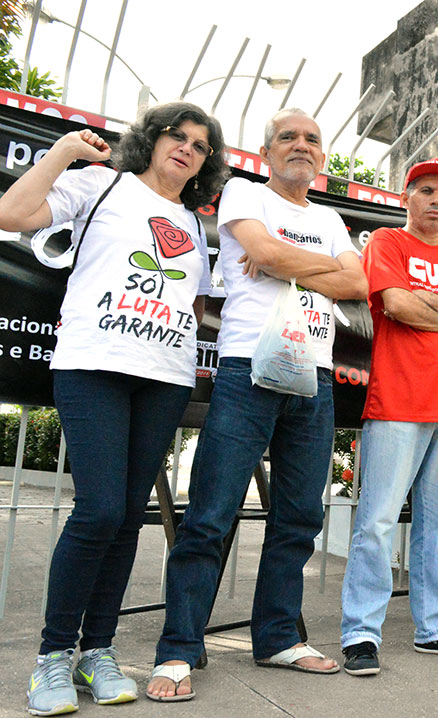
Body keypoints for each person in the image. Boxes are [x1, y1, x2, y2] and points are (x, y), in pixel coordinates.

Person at [0, 102, 228, 715]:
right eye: (175, 136)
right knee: (98, 510)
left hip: (165, 378)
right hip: (93, 365)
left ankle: (96, 652)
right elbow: (11, 212)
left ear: (208, 162)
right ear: (151, 140)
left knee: (128, 515)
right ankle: (52, 657)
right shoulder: (100, 184)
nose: (185, 149)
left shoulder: (195, 223)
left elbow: (202, 304)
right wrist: (65, 153)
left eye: (200, 145)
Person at [148, 108, 367, 701]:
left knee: (299, 518)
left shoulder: (329, 218)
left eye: (312, 140)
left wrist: (279, 260)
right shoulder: (245, 192)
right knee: (212, 514)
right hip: (249, 370)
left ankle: (276, 639)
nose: (301, 145)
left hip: (314, 378)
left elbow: (359, 285)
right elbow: (273, 258)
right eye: (288, 137)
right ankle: (178, 651)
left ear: (322, 159)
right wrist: (292, 262)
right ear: (267, 152)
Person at [340, 159, 438, 675]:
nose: (434, 200)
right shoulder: (386, 241)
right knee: (378, 520)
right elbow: (396, 306)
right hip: (396, 399)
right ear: (407, 196)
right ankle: (361, 632)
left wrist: (428, 303)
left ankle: (436, 627)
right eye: (425, 191)